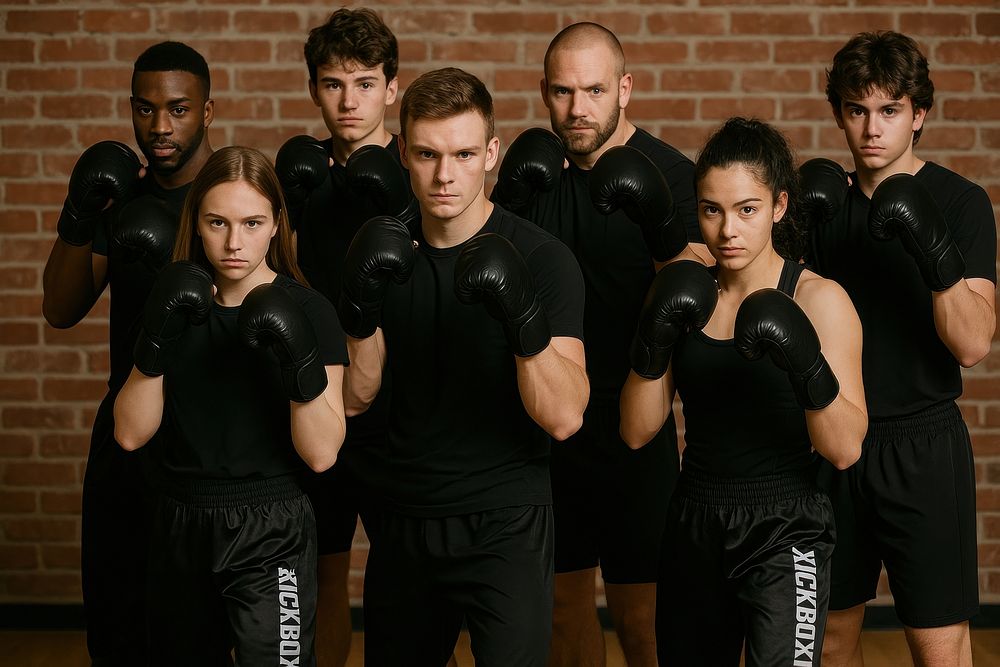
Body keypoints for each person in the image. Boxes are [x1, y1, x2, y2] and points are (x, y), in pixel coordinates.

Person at [341, 67, 589, 666]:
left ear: (492, 154)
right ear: (403, 152)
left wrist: (522, 318)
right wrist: (360, 312)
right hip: (405, 520)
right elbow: (354, 397)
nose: (445, 174)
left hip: (505, 522)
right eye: (426, 154)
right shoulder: (381, 252)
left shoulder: (542, 259)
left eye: (463, 154)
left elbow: (563, 418)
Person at [490, 22, 703, 666]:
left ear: (625, 89)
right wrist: (507, 205)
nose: (578, 110)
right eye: (562, 92)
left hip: (636, 415)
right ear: (544, 92)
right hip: (548, 417)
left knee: (645, 615)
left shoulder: (671, 173)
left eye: (594, 90)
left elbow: (700, 293)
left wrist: (662, 228)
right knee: (562, 604)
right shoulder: (531, 176)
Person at [619, 117, 866, 665]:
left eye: (746, 209)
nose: (727, 230)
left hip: (786, 527)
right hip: (695, 516)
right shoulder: (683, 289)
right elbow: (637, 432)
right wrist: (652, 341)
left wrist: (805, 361)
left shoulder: (819, 299)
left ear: (779, 206)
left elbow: (845, 448)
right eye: (712, 210)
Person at [113, 146, 348, 665]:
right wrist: (155, 339)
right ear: (196, 223)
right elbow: (129, 434)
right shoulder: (173, 301)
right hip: (180, 519)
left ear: (275, 225)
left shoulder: (310, 310)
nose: (234, 242)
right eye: (217, 222)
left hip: (273, 525)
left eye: (252, 222)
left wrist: (298, 355)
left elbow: (322, 454)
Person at [805, 31, 997, 666]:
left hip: (923, 444)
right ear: (839, 114)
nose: (871, 129)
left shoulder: (960, 203)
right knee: (828, 641)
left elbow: (972, 344)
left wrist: (933, 250)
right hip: (833, 445)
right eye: (857, 110)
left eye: (889, 111)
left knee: (938, 646)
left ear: (919, 114)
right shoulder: (819, 206)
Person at [40, 41, 215, 666]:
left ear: (207, 112)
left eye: (178, 109)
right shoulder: (119, 199)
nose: (160, 128)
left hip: (208, 447)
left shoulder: (236, 200)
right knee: (117, 632)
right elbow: (60, 310)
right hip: (125, 440)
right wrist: (80, 214)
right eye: (145, 110)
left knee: (199, 637)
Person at [274, 9, 415, 664]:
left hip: (404, 413)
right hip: (317, 400)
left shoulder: (428, 172)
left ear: (392, 88)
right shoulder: (300, 178)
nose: (348, 100)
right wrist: (291, 213)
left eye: (363, 82)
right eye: (332, 84)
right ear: (313, 90)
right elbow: (274, 283)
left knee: (410, 586)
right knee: (320, 579)